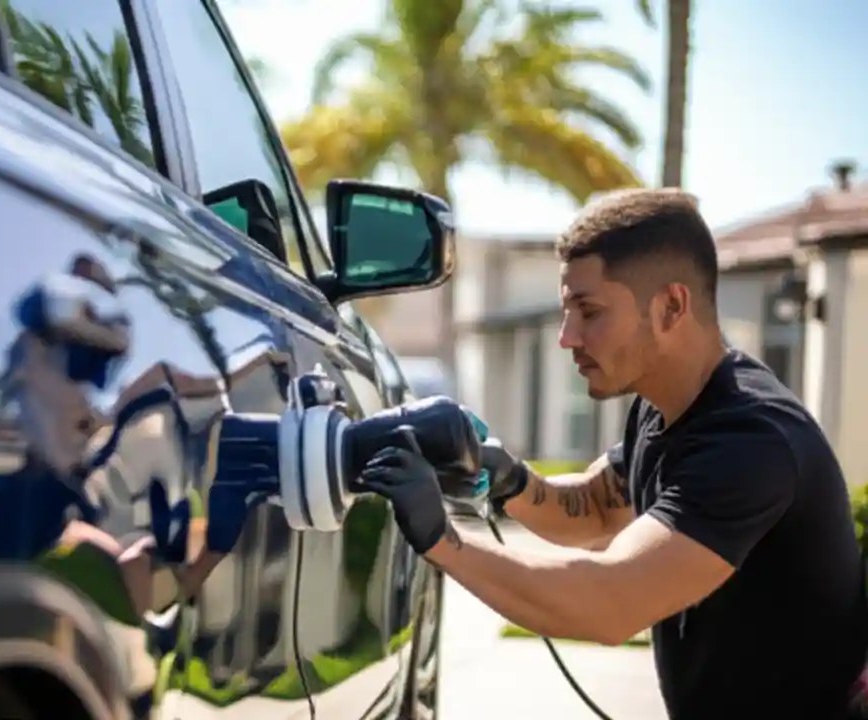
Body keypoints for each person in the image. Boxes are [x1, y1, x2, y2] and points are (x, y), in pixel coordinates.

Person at [359, 188, 868, 719]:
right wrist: (507, 478)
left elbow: (610, 602)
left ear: (672, 306)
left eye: (589, 311)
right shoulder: (665, 407)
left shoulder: (751, 441)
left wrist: (442, 541)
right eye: (566, 311)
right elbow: (598, 508)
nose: (566, 337)